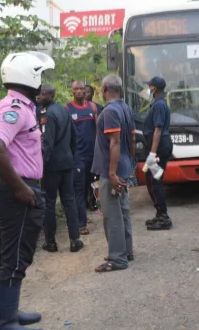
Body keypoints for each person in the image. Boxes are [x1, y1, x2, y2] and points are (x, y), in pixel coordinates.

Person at [0, 51, 55, 330]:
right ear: (30, 76)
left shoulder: (19, 105)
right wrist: (20, 188)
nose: (42, 81)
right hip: (12, 189)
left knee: (7, 254)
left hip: (7, 186)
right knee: (14, 256)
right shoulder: (14, 107)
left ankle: (8, 312)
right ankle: (6, 321)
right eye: (40, 74)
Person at [92, 75, 136, 272]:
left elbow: (115, 142)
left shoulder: (110, 111)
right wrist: (130, 165)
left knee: (112, 215)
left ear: (104, 89)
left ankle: (117, 259)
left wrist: (111, 173)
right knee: (123, 211)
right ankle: (126, 251)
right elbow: (132, 141)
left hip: (113, 170)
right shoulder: (125, 108)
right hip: (123, 166)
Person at [36, 85, 84, 253]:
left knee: (49, 202)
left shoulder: (47, 114)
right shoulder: (64, 110)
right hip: (67, 163)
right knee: (69, 200)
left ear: (50, 95)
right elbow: (74, 136)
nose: (39, 96)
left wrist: (41, 164)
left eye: (42, 94)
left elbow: (47, 143)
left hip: (52, 165)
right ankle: (75, 240)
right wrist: (70, 156)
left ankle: (51, 242)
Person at [66, 81, 100, 234]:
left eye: (81, 89)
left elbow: (98, 131)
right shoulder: (67, 109)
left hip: (92, 154)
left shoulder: (92, 107)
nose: (79, 91)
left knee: (91, 186)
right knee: (78, 189)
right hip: (77, 156)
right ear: (72, 91)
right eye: (76, 89)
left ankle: (87, 213)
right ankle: (81, 224)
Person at [143, 76, 174, 231]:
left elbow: (158, 130)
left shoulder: (159, 105)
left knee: (154, 181)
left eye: (149, 86)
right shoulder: (157, 104)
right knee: (152, 179)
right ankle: (160, 214)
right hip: (158, 147)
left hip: (159, 147)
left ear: (154, 88)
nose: (148, 89)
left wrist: (152, 153)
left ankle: (163, 217)